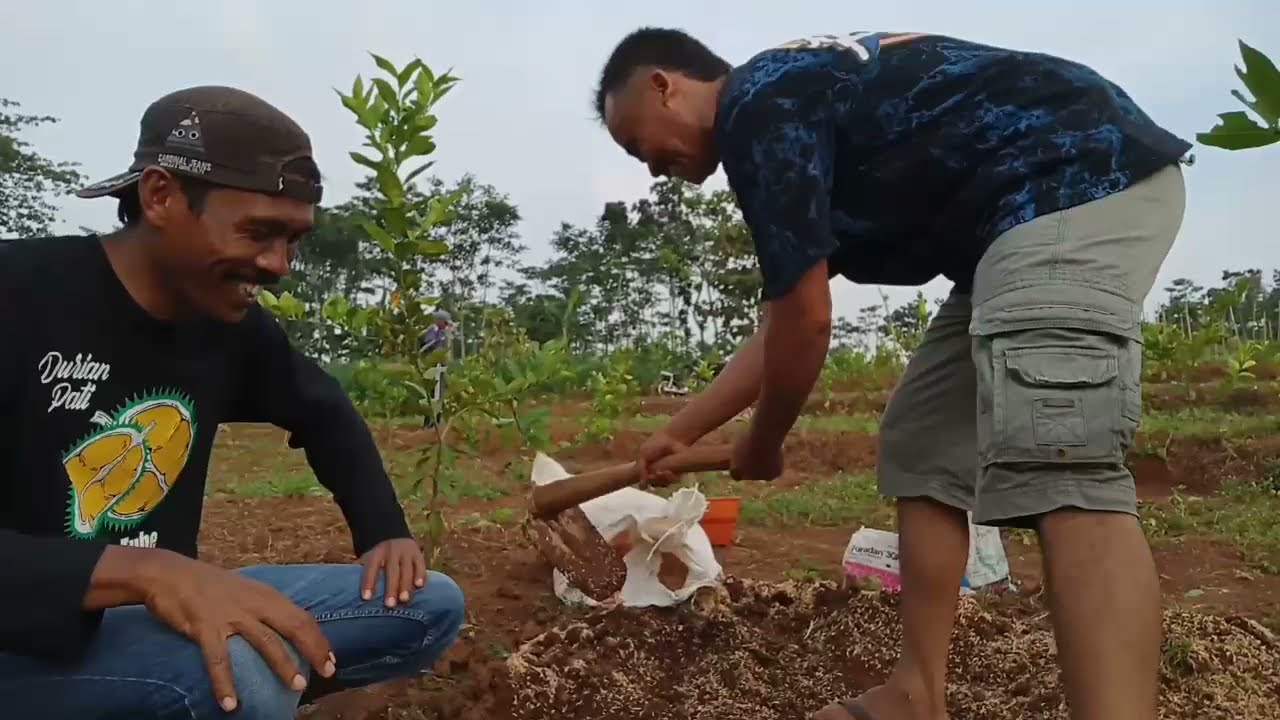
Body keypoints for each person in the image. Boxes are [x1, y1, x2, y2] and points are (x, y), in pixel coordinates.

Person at [594, 28, 1191, 720]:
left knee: (1061, 461)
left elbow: (807, 322)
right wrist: (683, 430)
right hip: (1008, 227)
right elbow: (783, 320)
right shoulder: (785, 106)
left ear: (663, 86)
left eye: (635, 144)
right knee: (923, 443)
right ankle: (916, 695)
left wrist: (763, 442)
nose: (649, 168)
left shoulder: (758, 107)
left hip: (1076, 179)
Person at [0, 86, 465, 719]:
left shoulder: (226, 327)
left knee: (426, 604)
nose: (278, 264)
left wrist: (382, 528)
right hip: (21, 642)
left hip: (143, 618)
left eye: (293, 239)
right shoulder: (19, 294)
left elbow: (322, 409)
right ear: (160, 196)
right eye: (258, 232)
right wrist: (146, 572)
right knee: (244, 674)